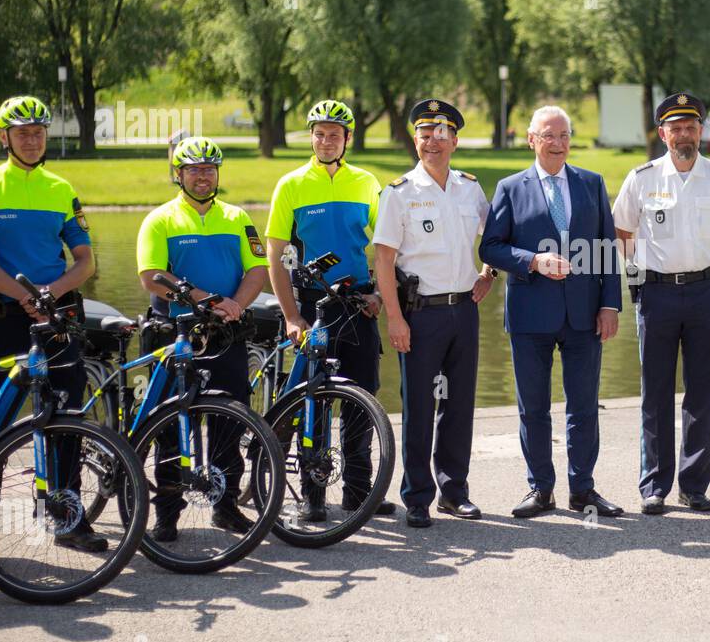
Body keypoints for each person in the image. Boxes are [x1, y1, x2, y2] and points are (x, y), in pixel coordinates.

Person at [0, 95, 100, 552]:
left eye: (39, 132)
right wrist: (24, 297)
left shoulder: (60, 188)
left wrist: (50, 295)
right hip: (4, 322)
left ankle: (68, 520)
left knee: (65, 419)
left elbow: (85, 261)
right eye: (23, 133)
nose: (33, 140)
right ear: (4, 138)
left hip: (56, 320)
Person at [480, 105, 624, 519]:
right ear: (531, 140)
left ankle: (583, 490)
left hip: (584, 315)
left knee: (583, 406)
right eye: (548, 135)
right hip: (529, 315)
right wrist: (532, 261)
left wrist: (610, 304)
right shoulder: (509, 188)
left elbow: (606, 249)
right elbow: (490, 247)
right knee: (533, 408)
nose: (558, 143)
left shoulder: (592, 184)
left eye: (564, 135)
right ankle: (540, 490)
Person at [612, 92, 710, 513]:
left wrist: (706, 269)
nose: (684, 134)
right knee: (655, 393)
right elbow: (622, 234)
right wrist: (638, 281)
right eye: (676, 128)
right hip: (656, 294)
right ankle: (654, 486)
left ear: (701, 132)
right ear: (663, 133)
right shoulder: (643, 178)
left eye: (691, 126)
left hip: (706, 293)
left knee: (701, 390)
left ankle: (693, 485)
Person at [264, 98, 393, 521]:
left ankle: (359, 495)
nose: (325, 141)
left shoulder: (365, 182)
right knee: (314, 404)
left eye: (334, 135)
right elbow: (276, 254)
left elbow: (386, 245)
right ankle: (313, 499)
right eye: (319, 134)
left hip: (359, 305)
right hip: (313, 308)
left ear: (347, 139)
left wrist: (379, 296)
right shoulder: (292, 184)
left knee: (361, 401)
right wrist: (290, 315)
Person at [136, 137, 268, 541]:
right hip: (176, 336)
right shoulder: (159, 220)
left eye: (209, 170)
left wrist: (235, 306)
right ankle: (167, 516)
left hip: (227, 334)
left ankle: (225, 508)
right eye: (193, 170)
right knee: (173, 427)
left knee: (230, 423)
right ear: (178, 175)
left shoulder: (237, 217)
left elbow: (258, 269)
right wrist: (207, 301)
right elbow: (151, 277)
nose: (202, 177)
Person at [372, 99, 494, 529]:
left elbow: (494, 238)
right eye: (425, 135)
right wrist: (394, 318)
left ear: (455, 142)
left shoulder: (469, 188)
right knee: (420, 406)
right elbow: (383, 260)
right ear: (417, 141)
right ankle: (418, 496)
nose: (432, 143)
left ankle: (454, 492)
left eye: (441, 135)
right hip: (419, 314)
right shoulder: (400, 192)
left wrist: (488, 272)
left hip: (464, 309)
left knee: (459, 405)